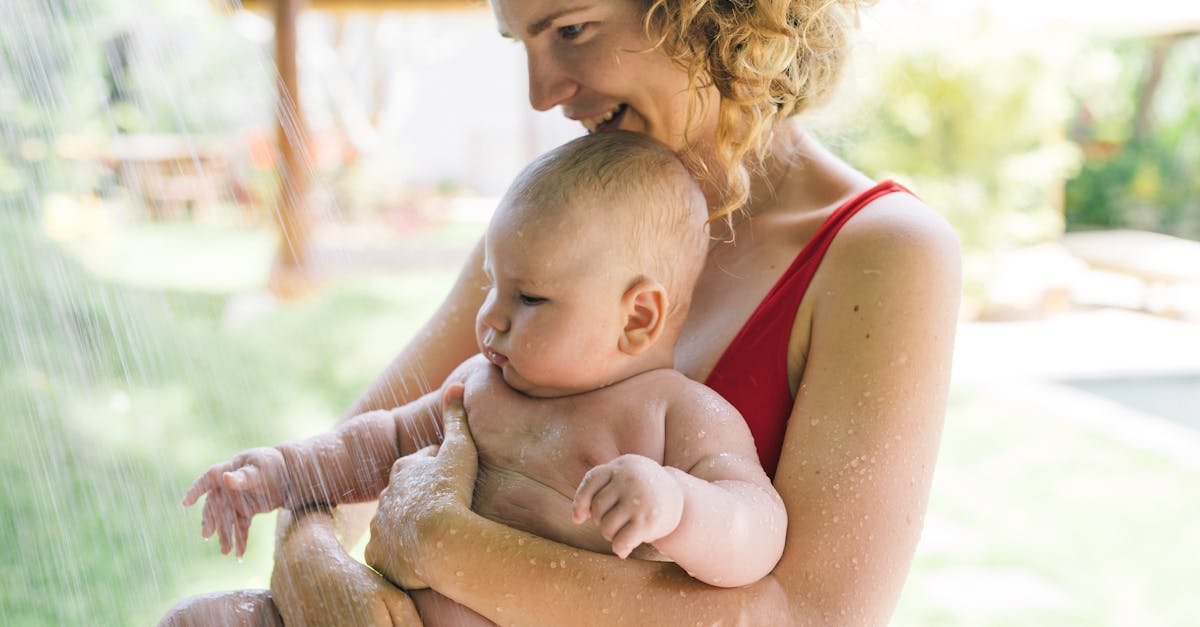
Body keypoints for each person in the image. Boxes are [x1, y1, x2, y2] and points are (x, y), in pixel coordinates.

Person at [161, 0, 961, 625]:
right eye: (522, 45)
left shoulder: (883, 253)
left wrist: (441, 543)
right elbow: (341, 471)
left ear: (712, 14)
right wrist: (316, 572)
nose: (543, 93)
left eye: (572, 29)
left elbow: (805, 618)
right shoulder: (561, 220)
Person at [178, 132, 787, 625]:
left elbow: (757, 531)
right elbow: (377, 444)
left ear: (638, 317)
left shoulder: (677, 416)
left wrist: (678, 506)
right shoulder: (480, 387)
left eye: (528, 297)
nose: (490, 314)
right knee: (196, 621)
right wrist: (279, 472)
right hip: (384, 611)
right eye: (493, 283)